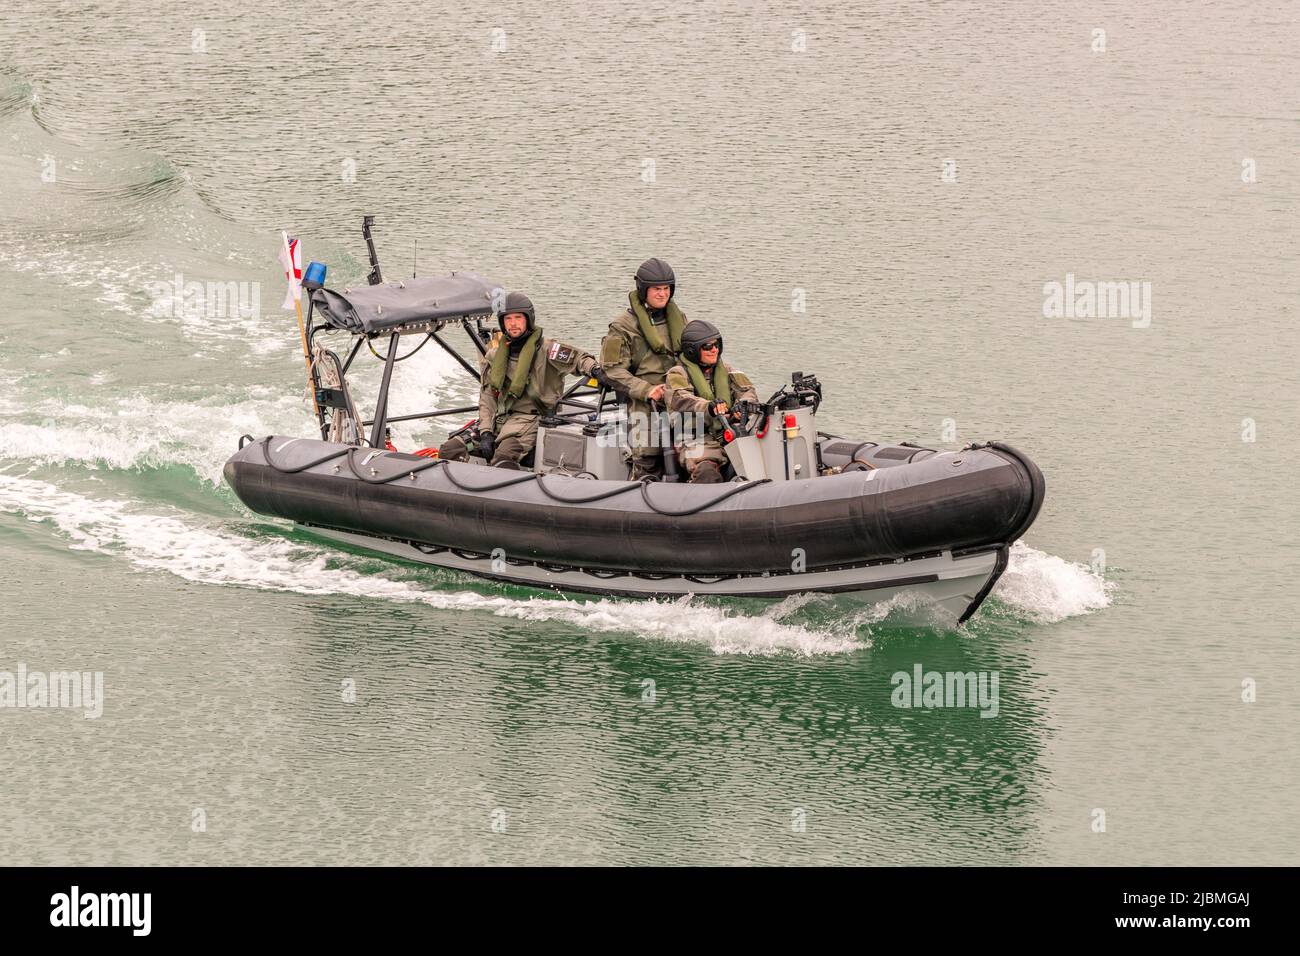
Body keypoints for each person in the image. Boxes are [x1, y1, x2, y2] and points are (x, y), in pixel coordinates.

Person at [440, 292, 600, 467]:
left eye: (518, 318)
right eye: (508, 319)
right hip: (497, 420)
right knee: (450, 449)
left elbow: (580, 359)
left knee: (503, 457)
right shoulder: (494, 356)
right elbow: (487, 398)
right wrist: (485, 431)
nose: (513, 323)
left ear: (528, 319)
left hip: (530, 419)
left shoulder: (548, 350)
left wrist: (596, 370)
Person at [599, 257, 687, 479]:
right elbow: (612, 370)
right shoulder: (622, 327)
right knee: (648, 459)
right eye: (656, 289)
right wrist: (646, 390)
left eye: (666, 288)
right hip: (645, 404)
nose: (662, 294)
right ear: (643, 290)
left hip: (679, 398)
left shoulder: (679, 319)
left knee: (692, 453)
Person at [663, 319, 757, 483]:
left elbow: (748, 391)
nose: (714, 350)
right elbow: (682, 399)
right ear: (692, 350)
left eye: (717, 345)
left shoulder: (728, 370)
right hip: (695, 437)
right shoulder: (677, 374)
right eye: (707, 346)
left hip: (730, 431)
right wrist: (709, 407)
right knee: (706, 470)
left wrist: (742, 406)